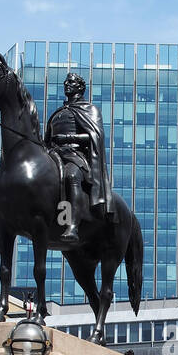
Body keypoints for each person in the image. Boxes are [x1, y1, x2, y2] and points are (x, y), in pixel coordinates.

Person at [44, 71, 109, 241]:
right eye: (66, 82)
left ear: (80, 87)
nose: (66, 85)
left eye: (71, 82)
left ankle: (72, 225)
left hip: (75, 155)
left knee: (71, 176)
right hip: (53, 155)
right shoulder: (58, 113)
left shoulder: (90, 109)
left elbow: (96, 136)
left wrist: (68, 138)